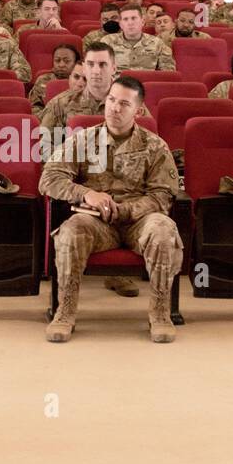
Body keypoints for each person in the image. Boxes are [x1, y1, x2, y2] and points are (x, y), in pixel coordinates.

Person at [40, 77, 183, 343]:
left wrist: (126, 210)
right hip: (98, 224)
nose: (115, 108)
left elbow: (162, 195)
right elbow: (49, 179)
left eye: (124, 104)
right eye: (112, 100)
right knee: (72, 229)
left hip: (138, 223)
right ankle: (66, 310)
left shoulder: (155, 146)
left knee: (163, 229)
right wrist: (87, 194)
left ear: (138, 111)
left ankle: (160, 312)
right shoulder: (83, 140)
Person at [39, 42, 152, 132]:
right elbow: (45, 145)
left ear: (113, 68)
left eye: (103, 64)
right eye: (90, 64)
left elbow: (149, 139)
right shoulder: (60, 103)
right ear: (84, 68)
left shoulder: (130, 102)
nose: (96, 71)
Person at [100, 6, 176, 71]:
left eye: (134, 18)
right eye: (125, 19)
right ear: (121, 24)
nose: (130, 23)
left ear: (142, 21)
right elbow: (100, 69)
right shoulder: (107, 41)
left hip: (146, 85)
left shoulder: (157, 43)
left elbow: (168, 72)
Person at [29, 43, 80, 116]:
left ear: (75, 63)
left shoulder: (82, 80)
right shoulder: (43, 80)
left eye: (67, 61)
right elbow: (34, 106)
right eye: (57, 60)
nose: (61, 65)